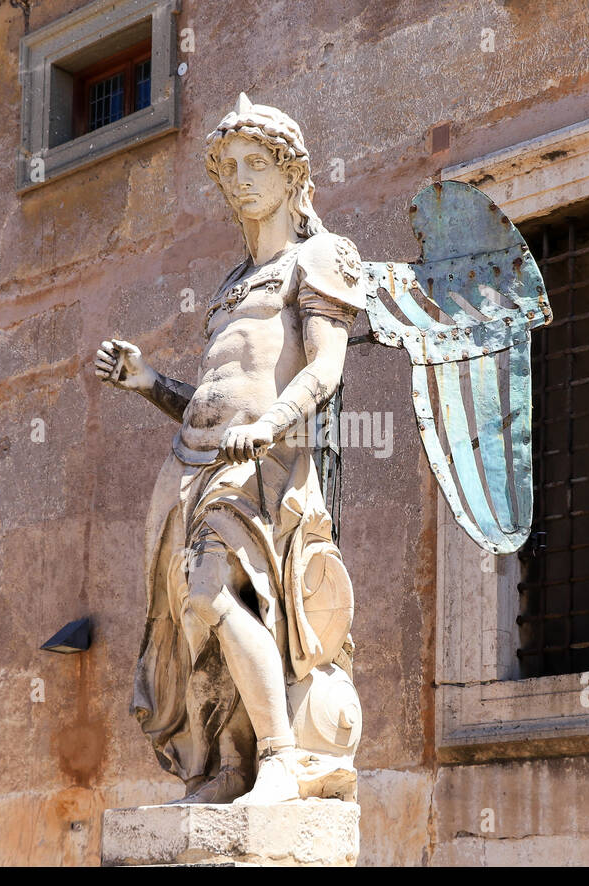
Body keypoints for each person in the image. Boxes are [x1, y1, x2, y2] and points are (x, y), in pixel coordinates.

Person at [94, 94, 364, 805]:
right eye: (229, 170)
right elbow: (213, 398)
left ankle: (283, 757)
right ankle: (223, 766)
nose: (241, 180)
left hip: (263, 464)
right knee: (191, 619)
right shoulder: (231, 286)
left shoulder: (321, 256)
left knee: (212, 594)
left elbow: (325, 369)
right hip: (194, 460)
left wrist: (273, 423)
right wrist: (148, 382)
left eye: (256, 165)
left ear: (290, 173)